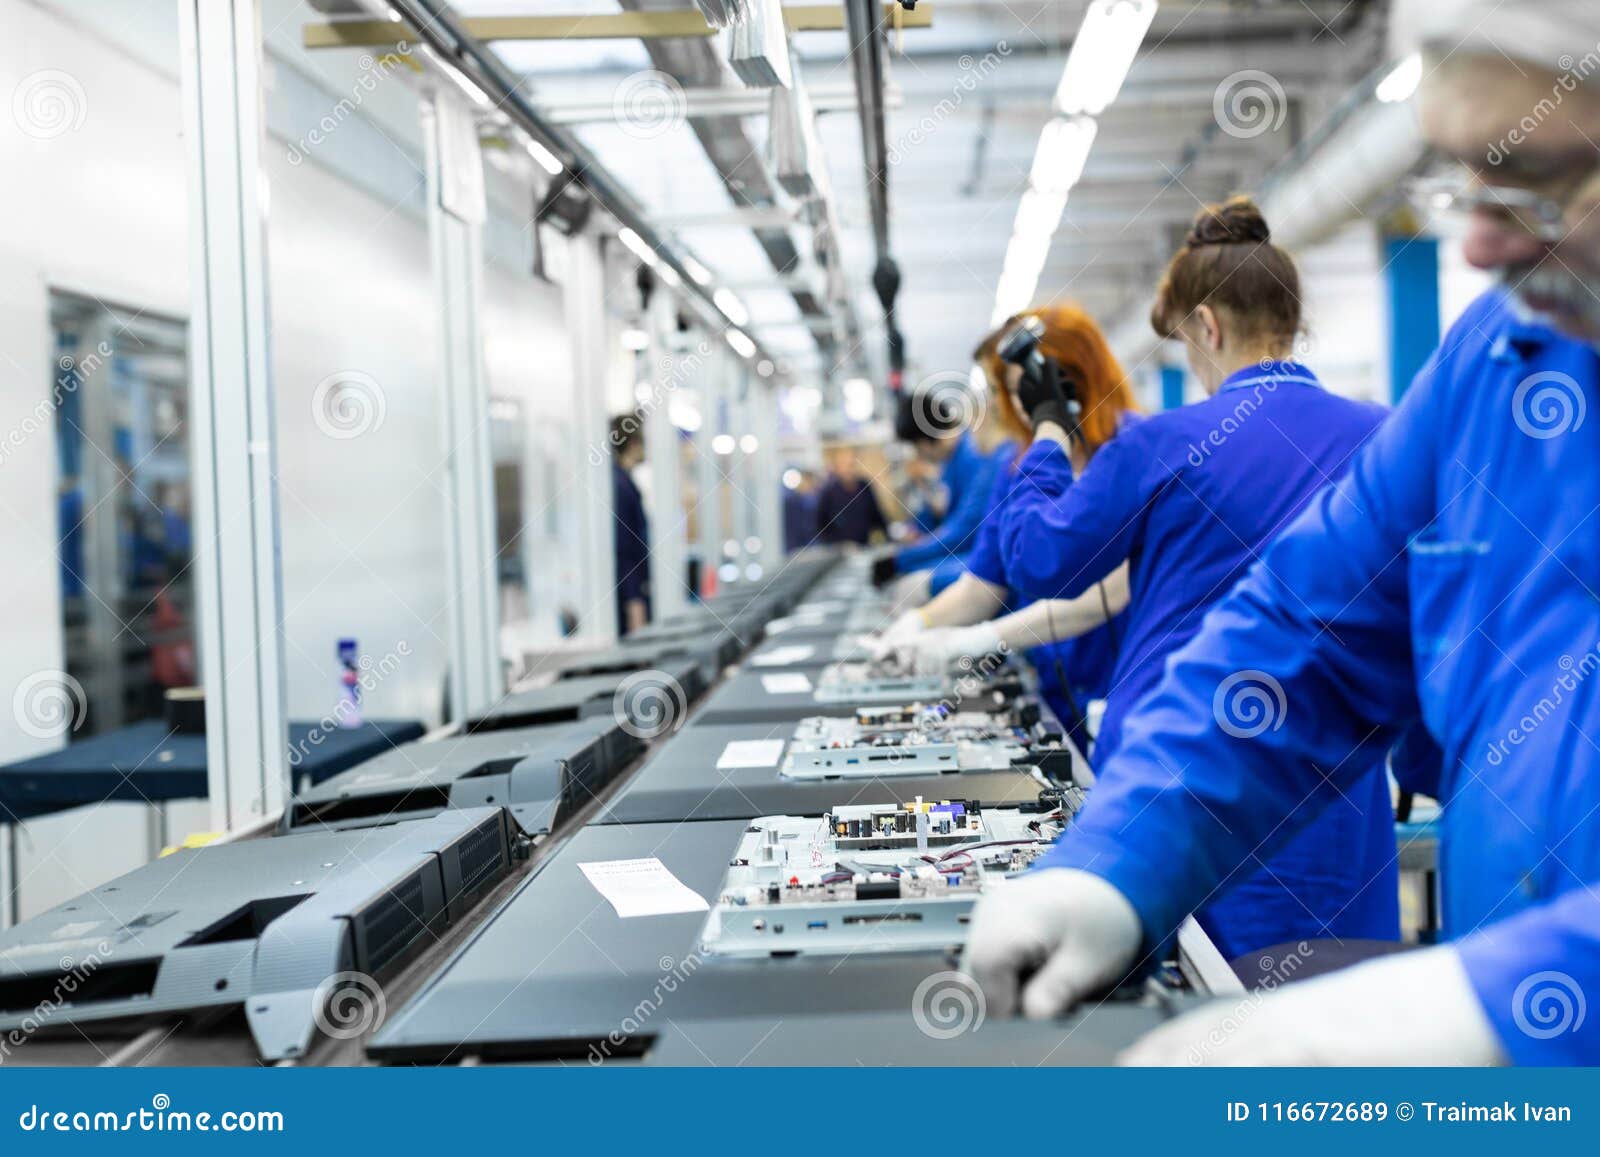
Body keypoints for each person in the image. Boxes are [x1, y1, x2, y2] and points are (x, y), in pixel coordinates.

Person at [964, 0, 1600, 1066]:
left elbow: (1045, 557)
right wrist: (1115, 859)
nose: (1480, 242)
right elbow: (1311, 626)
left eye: (1534, 179)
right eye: (1462, 183)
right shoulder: (1501, 359)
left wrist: (1486, 1004)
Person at [974, 198, 1401, 963]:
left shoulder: (1166, 443)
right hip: (1337, 785)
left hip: (1183, 776)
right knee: (1330, 994)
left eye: (1184, 344)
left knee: (1198, 996)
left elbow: (1040, 558)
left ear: (1207, 325)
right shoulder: (1383, 435)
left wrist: (1048, 434)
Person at [878, 308, 1143, 747]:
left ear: (1069, 380)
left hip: (1125, 687)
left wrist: (980, 639)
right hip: (1056, 686)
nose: (1015, 407)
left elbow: (1108, 594)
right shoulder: (1019, 465)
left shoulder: (1139, 450)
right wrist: (919, 622)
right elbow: (985, 582)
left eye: (1024, 392)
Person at [875, 385, 1000, 587]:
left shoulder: (974, 456)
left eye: (916, 448)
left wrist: (900, 560)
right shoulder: (951, 464)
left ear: (925, 443)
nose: (918, 455)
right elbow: (938, 520)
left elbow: (963, 532)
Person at [608, 412, 651, 637]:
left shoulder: (623, 481)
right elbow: (625, 550)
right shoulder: (620, 487)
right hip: (628, 599)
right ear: (633, 444)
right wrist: (634, 601)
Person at [814, 443, 890, 546]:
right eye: (844, 464)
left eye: (852, 464)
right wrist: (837, 543)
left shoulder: (864, 486)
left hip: (864, 546)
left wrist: (889, 537)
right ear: (837, 467)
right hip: (840, 549)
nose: (849, 468)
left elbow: (877, 516)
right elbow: (820, 526)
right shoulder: (828, 492)